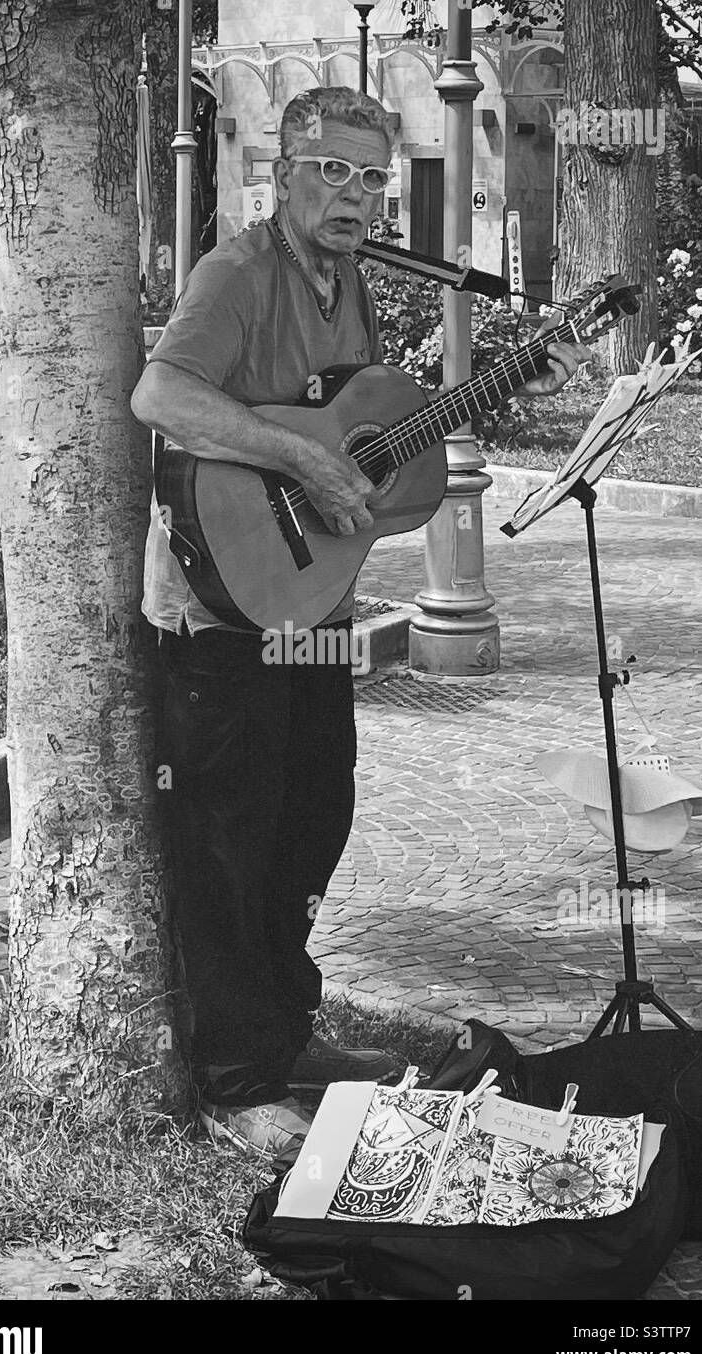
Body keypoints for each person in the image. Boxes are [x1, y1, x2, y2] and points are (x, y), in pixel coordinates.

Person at [131, 86, 591, 1157]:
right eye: (330, 170)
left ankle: (286, 1035)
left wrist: (515, 379)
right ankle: (239, 1080)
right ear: (282, 170)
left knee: (308, 823)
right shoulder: (235, 273)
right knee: (229, 843)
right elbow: (162, 396)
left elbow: (370, 429)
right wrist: (298, 459)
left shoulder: (346, 282)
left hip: (307, 610)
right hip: (218, 613)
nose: (352, 193)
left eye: (370, 176)